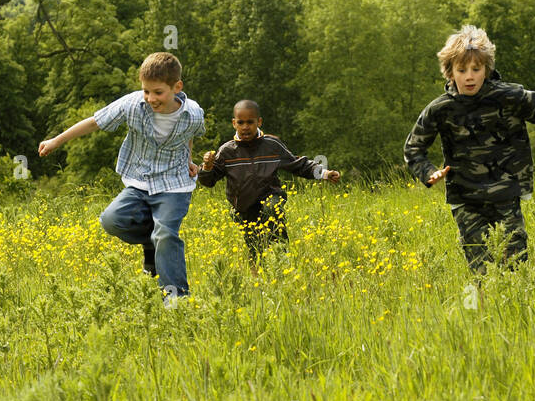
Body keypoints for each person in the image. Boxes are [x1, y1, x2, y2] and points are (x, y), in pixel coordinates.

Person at [404, 25, 535, 271]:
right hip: (466, 198)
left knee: (515, 265)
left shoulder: (508, 96)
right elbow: (413, 149)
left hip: (506, 192)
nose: (469, 76)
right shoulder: (439, 109)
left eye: (476, 69)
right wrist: (429, 173)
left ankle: (517, 307)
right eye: (462, 70)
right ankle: (483, 307)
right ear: (450, 72)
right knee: (481, 269)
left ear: (486, 69)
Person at [38, 52, 204, 305]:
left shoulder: (193, 113)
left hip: (174, 184)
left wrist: (189, 160)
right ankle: (154, 245)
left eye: (158, 92)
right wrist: (56, 140)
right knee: (112, 220)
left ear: (176, 87)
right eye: (146, 91)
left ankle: (175, 300)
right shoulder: (132, 104)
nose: (151, 99)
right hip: (140, 180)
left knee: (167, 234)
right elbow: (95, 122)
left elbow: (188, 135)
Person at [196, 100, 340, 271]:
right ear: (234, 123)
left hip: (271, 197)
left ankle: (284, 264)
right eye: (240, 122)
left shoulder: (272, 145)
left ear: (259, 122)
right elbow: (208, 181)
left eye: (250, 122)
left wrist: (324, 173)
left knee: (272, 213)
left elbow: (298, 164)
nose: (245, 127)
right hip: (243, 207)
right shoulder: (227, 151)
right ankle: (259, 276)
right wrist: (207, 167)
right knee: (255, 247)